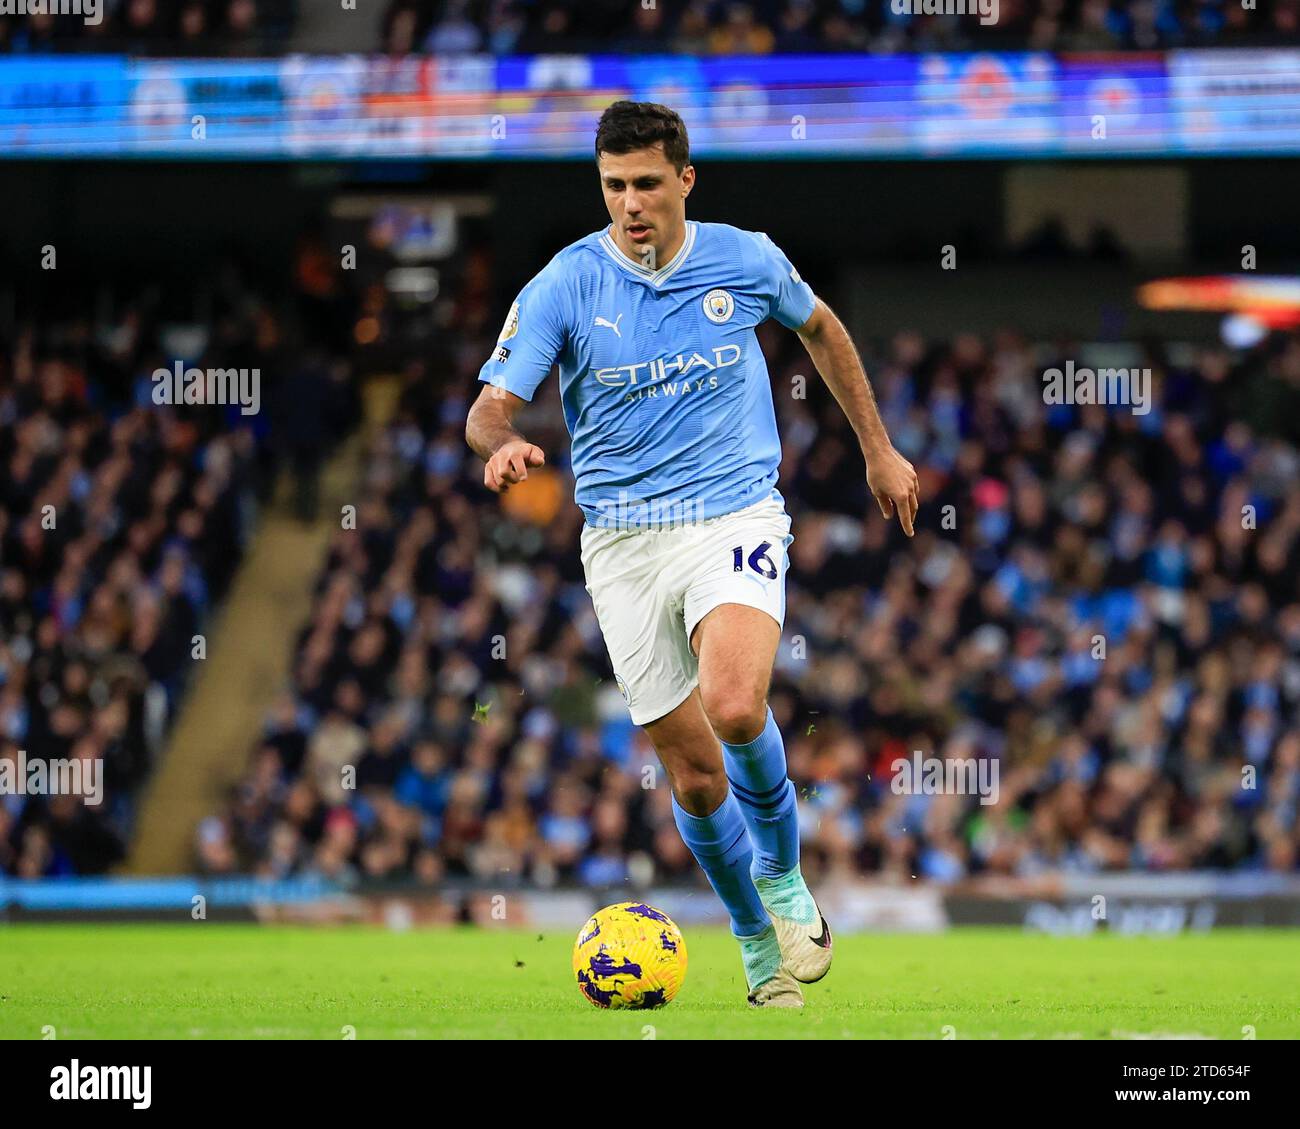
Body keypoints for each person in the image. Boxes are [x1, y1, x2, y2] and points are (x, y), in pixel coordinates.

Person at [464, 100, 919, 1007]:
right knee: (696, 774)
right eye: (613, 186)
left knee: (736, 703)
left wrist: (878, 447)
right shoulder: (565, 283)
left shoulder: (744, 257)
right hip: (624, 545)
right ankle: (753, 936)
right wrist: (500, 444)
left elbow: (820, 328)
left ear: (684, 180)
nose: (629, 203)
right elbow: (487, 407)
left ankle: (784, 879)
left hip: (732, 515)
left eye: (645, 183)